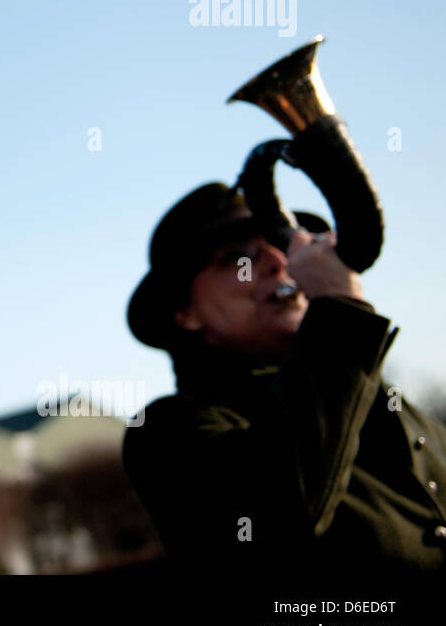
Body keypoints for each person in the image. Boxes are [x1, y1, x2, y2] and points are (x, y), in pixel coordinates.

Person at [123, 182, 446, 574]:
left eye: (282, 244)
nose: (280, 261)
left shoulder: (374, 393)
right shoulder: (166, 431)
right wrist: (340, 315)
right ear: (185, 313)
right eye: (238, 257)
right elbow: (281, 517)